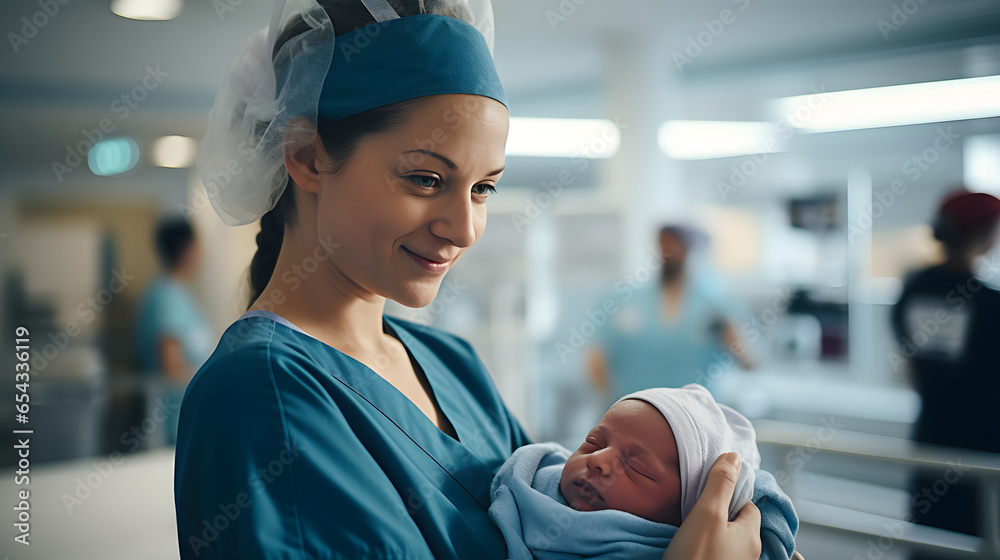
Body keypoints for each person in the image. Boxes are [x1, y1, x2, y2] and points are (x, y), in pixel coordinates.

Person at [174, 1, 769, 558]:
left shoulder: (452, 365)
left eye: (483, 188)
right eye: (426, 179)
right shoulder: (261, 391)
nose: (464, 229)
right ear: (307, 156)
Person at [490, 384, 798, 560]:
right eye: (593, 442)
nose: (597, 460)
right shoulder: (526, 487)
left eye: (635, 467)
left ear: (690, 515)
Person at [891, 189, 1000, 558]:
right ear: (986, 235)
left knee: (929, 537)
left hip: (931, 434)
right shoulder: (990, 304)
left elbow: (912, 362)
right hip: (984, 445)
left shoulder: (913, 290)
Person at [588, 225, 753, 405]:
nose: (668, 252)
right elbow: (597, 357)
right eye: (663, 245)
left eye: (676, 245)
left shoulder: (717, 306)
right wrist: (612, 404)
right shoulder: (626, 301)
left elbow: (751, 363)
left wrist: (734, 341)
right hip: (634, 410)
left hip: (695, 412)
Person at [134, 215, 213, 445]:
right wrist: (217, 382)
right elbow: (171, 366)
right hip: (173, 424)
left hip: (188, 419)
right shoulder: (166, 297)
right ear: (184, 247)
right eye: (197, 244)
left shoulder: (179, 293)